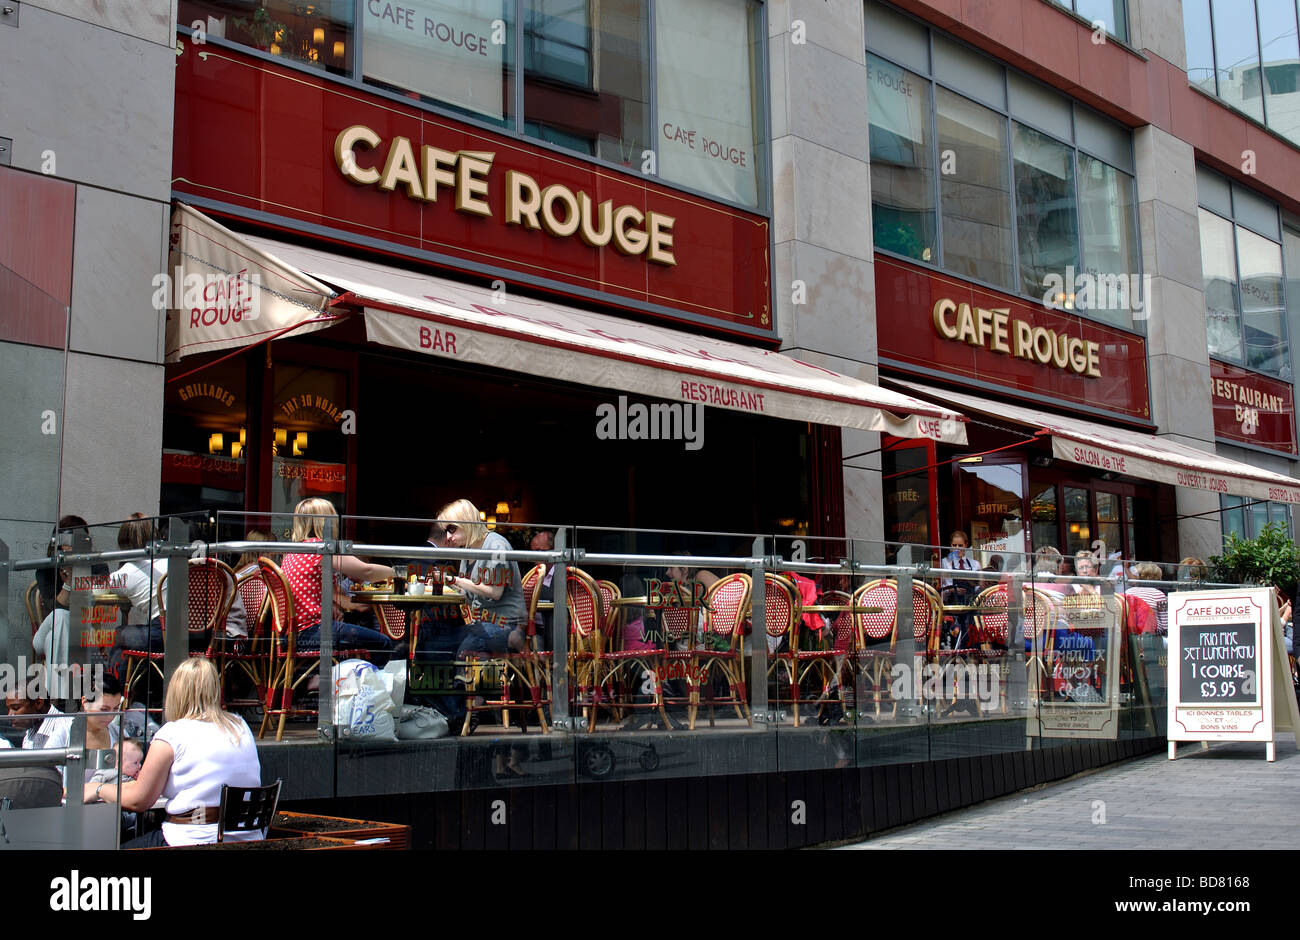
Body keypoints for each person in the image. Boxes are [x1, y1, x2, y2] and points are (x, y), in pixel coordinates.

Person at [97, 658, 263, 847]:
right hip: (247, 837)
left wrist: (97, 789)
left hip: (191, 838)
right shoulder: (240, 725)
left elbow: (139, 801)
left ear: (176, 692)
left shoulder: (172, 733)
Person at [280, 498, 395, 659]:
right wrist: (399, 573)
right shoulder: (320, 548)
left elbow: (310, 590)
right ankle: (369, 682)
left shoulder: (292, 553)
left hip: (291, 633)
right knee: (384, 643)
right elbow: (366, 570)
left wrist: (329, 607)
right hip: (312, 632)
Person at [107, 513, 169, 678]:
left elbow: (108, 587)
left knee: (119, 634)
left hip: (163, 633)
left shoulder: (125, 574)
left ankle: (114, 693)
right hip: (199, 632)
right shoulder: (172, 559)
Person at [940, 530, 977, 650]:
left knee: (970, 634)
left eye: (960, 545)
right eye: (954, 545)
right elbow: (944, 587)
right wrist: (952, 590)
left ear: (966, 545)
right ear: (950, 545)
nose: (957, 548)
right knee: (955, 634)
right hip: (953, 606)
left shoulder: (974, 564)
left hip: (970, 606)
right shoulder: (944, 563)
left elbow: (978, 588)